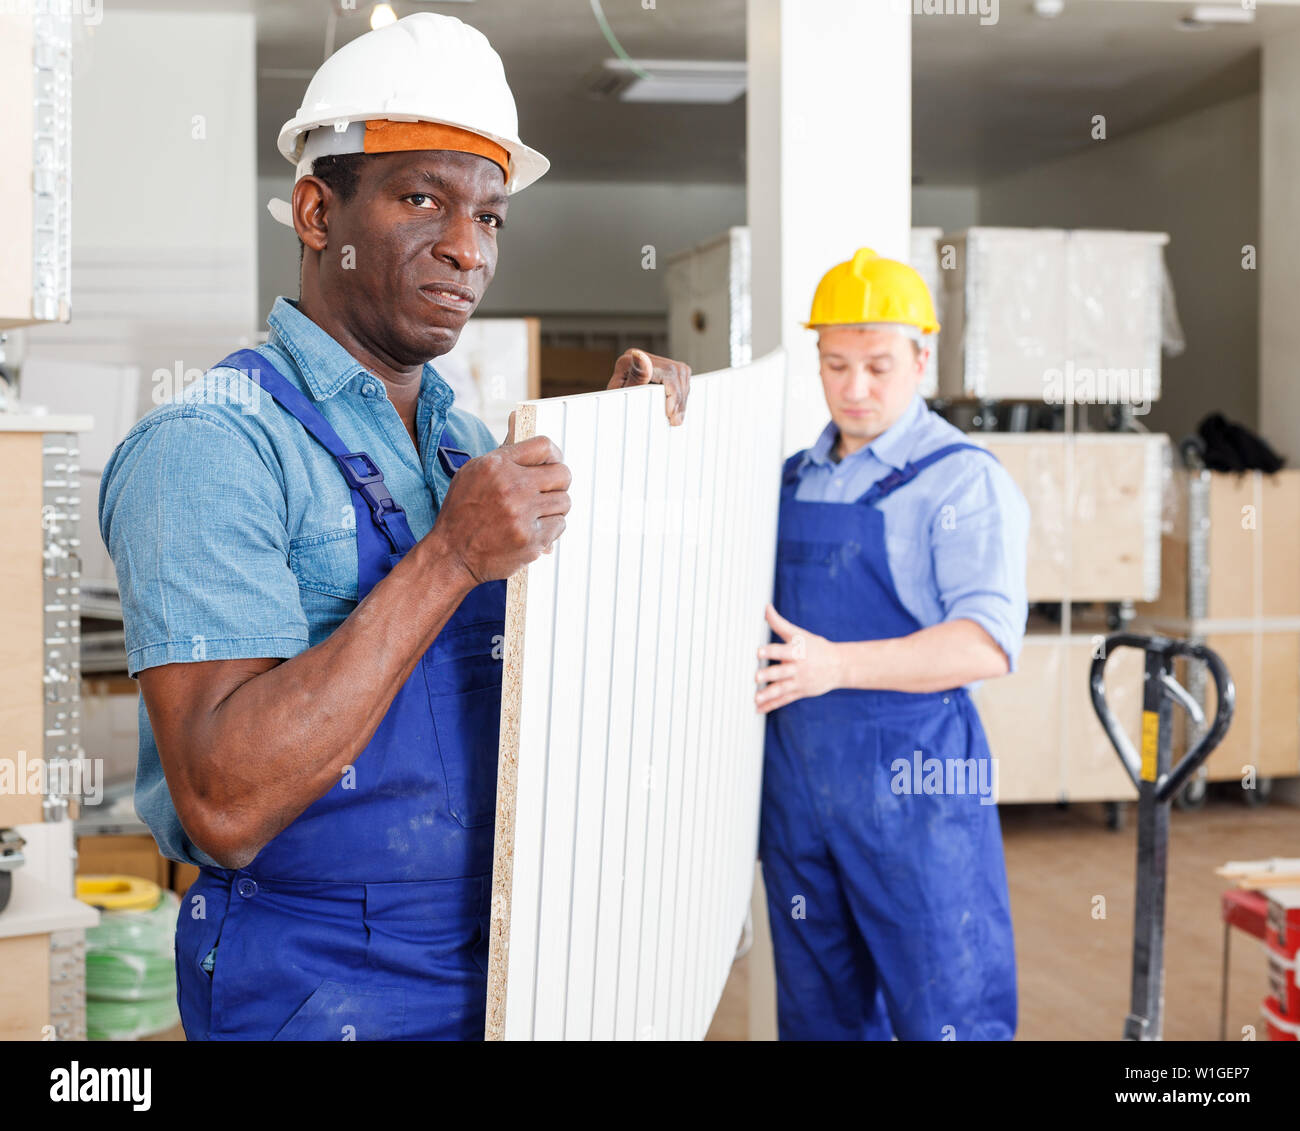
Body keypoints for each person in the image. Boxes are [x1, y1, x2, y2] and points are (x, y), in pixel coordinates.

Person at [98, 12, 690, 1041]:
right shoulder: (212, 448)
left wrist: (625, 455)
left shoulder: (463, 443)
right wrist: (451, 555)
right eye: (423, 199)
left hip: (503, 959)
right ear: (320, 213)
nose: (466, 250)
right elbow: (224, 807)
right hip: (319, 983)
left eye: (492, 217)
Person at [754, 247, 1028, 1041]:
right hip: (800, 791)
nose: (855, 388)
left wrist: (834, 665)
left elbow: (985, 642)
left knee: (947, 1009)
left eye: (878, 365)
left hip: (916, 789)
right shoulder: (792, 478)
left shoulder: (962, 482)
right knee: (817, 1013)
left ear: (920, 358)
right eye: (835, 365)